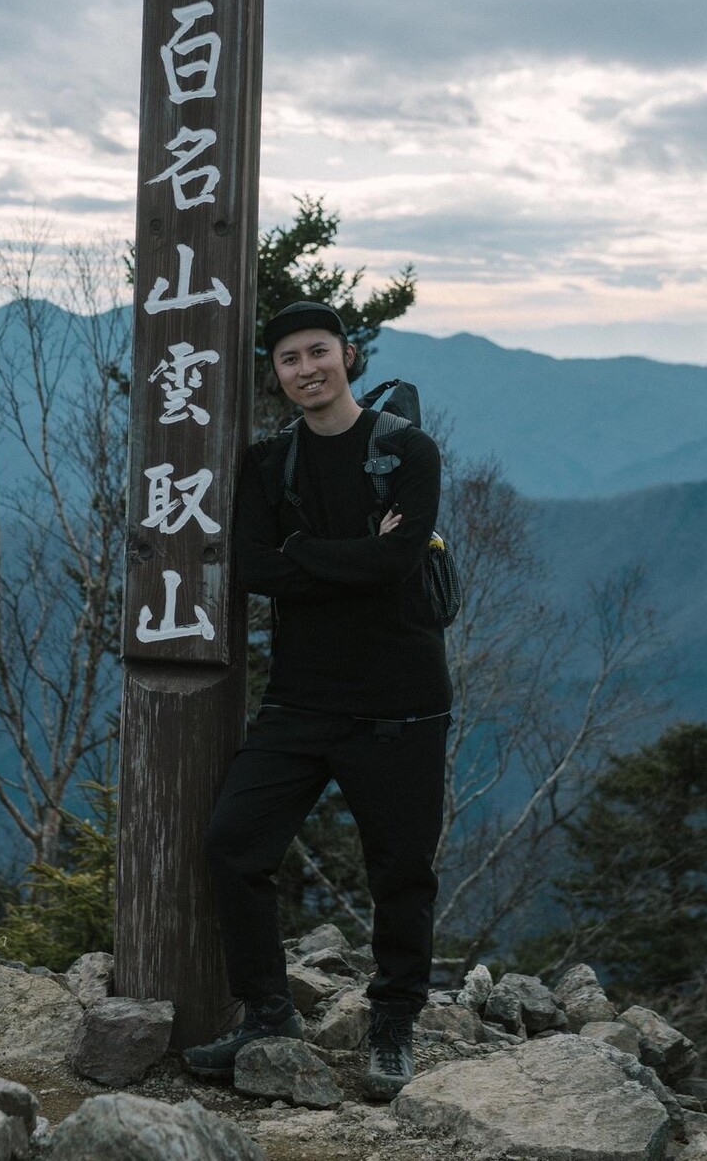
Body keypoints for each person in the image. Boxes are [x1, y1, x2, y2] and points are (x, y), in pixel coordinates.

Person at [183, 301, 452, 1099]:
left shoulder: (407, 449)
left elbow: (400, 562)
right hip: (301, 701)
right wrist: (350, 556)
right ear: (276, 374)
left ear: (349, 355)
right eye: (289, 359)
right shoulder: (270, 464)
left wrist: (307, 554)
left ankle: (394, 1024)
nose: (307, 368)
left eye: (318, 352)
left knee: (401, 873)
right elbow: (255, 567)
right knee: (235, 843)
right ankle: (268, 1012)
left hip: (402, 703)